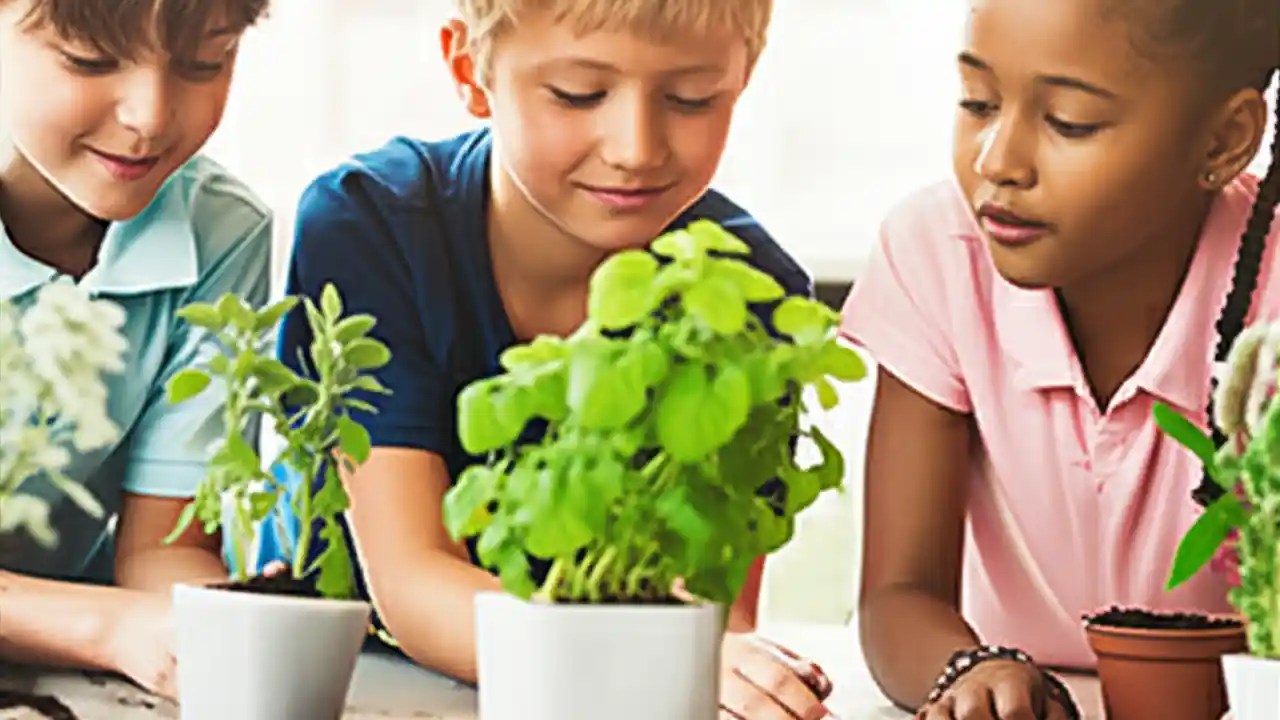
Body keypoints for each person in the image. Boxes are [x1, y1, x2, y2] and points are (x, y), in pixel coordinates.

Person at [270, 1, 838, 717]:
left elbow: (707, 611)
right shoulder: (369, 225)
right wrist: (645, 658)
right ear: (469, 70)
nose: (637, 146)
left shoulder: (747, 295)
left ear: (743, 78)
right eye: (578, 94)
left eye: (691, 98)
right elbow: (410, 577)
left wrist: (694, 658)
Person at [841, 0, 1280, 716]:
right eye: (979, 103)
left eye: (1069, 121)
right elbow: (898, 595)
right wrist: (968, 672)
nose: (997, 161)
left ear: (1223, 140)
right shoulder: (938, 252)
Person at [0, 0, 272, 700]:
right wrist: (106, 628)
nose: (151, 115)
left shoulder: (221, 235)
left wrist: (223, 620)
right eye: (90, 60)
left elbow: (164, 547)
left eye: (204, 62)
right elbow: (125, 622)